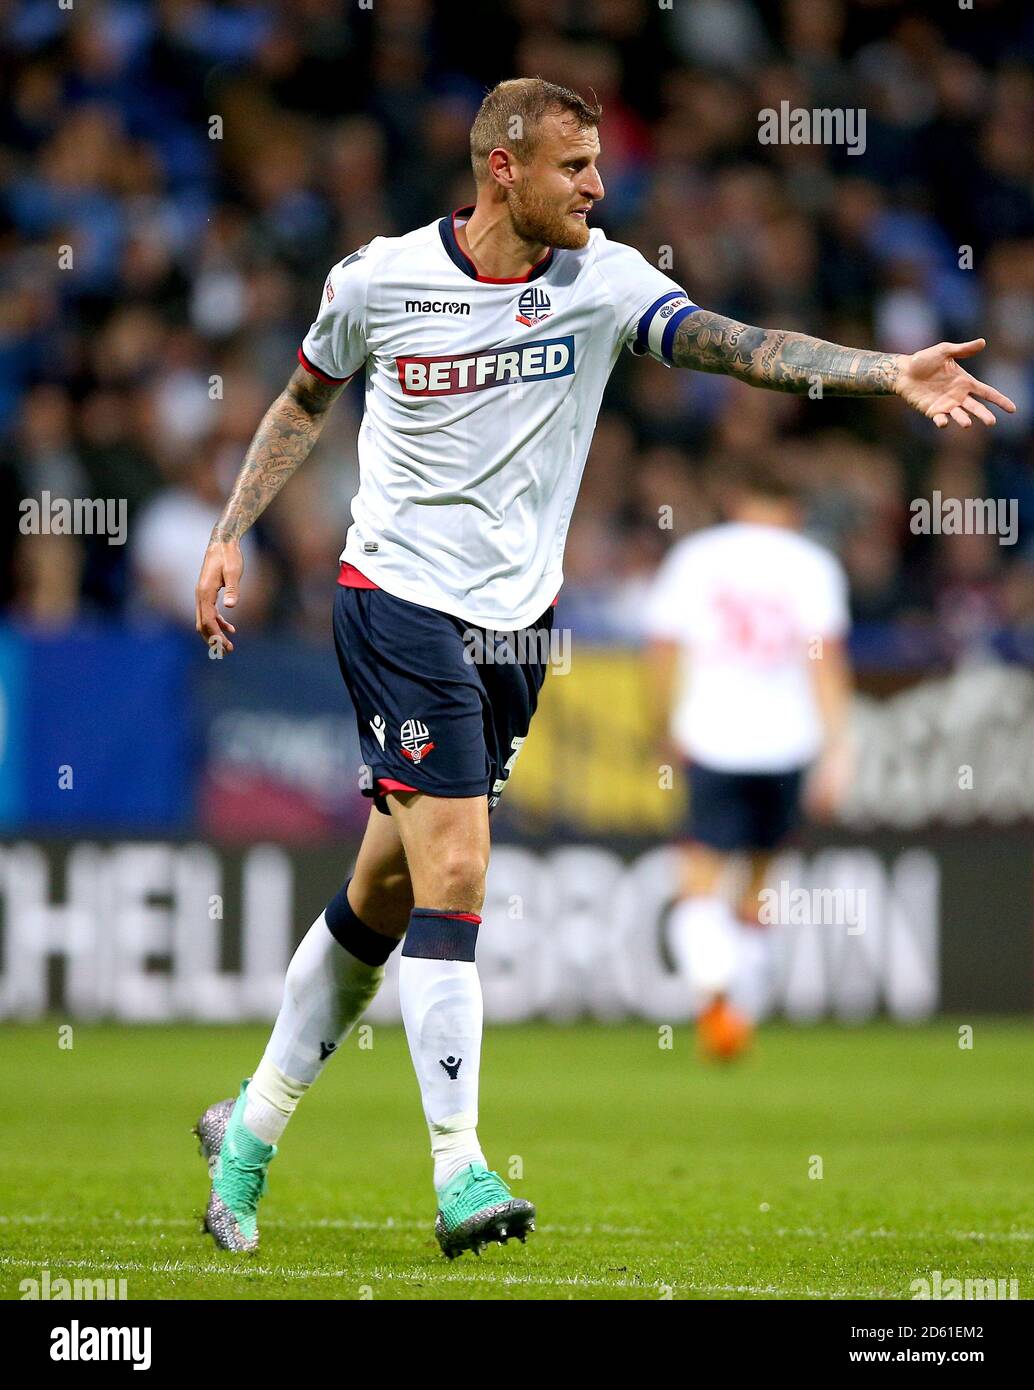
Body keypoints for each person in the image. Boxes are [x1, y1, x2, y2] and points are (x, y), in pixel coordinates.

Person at [192, 77, 1015, 1258]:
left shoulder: (605, 280)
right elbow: (299, 400)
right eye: (573, 166)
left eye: (596, 165)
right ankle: (461, 1168)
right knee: (457, 864)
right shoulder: (375, 280)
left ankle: (250, 1130)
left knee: (382, 889)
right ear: (501, 171)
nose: (596, 185)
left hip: (514, 630)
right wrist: (229, 533)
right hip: (394, 598)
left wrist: (884, 372)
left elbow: (743, 350)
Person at [645, 463, 853, 1059]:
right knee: (761, 880)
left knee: (699, 875)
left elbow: (661, 649)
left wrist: (660, 724)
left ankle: (713, 999)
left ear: (740, 500)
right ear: (793, 509)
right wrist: (839, 748)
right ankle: (743, 1008)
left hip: (712, 736)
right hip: (788, 741)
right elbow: (825, 662)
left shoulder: (697, 557)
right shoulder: (812, 564)